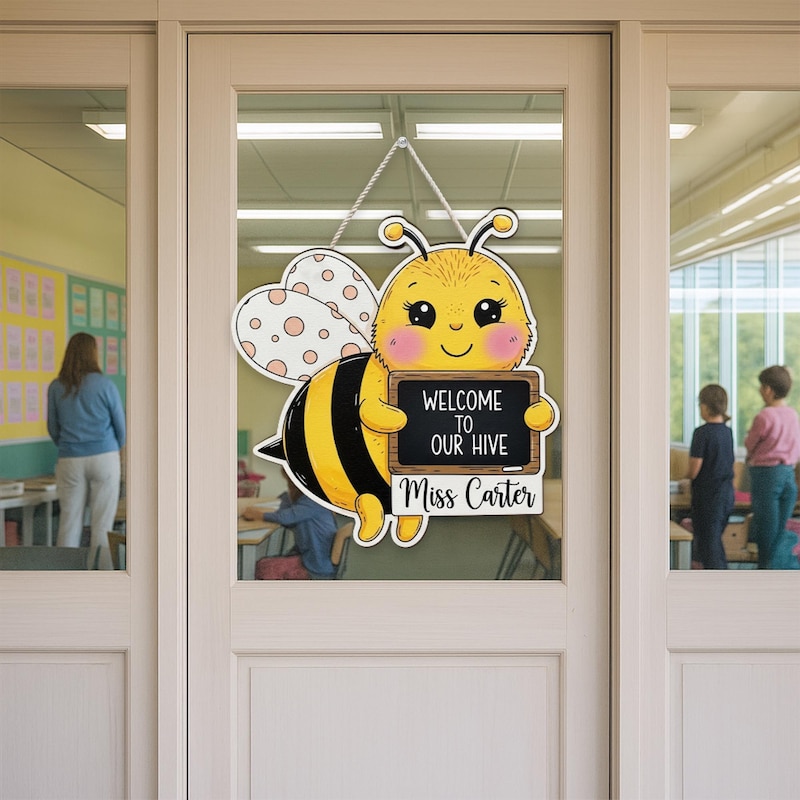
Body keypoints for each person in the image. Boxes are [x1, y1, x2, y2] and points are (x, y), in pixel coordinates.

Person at [47, 332, 126, 570]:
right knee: (102, 524)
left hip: (70, 459)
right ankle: (101, 578)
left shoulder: (56, 387)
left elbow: (53, 428)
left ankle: (66, 576)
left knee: (69, 522)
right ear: (93, 353)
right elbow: (121, 428)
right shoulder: (104, 385)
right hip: (104, 457)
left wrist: (69, 445)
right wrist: (112, 447)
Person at [744, 365, 800, 570]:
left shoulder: (764, 416)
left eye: (761, 386)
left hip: (766, 476)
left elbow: (750, 444)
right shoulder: (793, 415)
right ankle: (777, 573)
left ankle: (765, 572)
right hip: (788, 475)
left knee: (766, 530)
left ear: (768, 389)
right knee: (779, 531)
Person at [243, 471, 338, 580]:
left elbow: (285, 518)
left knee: (262, 568)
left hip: (316, 567)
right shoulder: (311, 497)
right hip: (314, 559)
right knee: (264, 564)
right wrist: (288, 496)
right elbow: (288, 519)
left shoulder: (313, 501)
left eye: (290, 481)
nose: (289, 484)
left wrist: (258, 515)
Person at [688, 384, 735, 570]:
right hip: (726, 494)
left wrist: (685, 480)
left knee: (709, 546)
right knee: (714, 542)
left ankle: (718, 581)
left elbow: (694, 469)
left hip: (707, 495)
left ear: (706, 406)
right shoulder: (727, 432)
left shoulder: (701, 433)